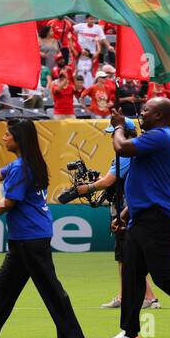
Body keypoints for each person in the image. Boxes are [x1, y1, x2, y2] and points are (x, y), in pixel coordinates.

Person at [0, 123, 90, 338]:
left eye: (8, 134)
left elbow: (11, 201)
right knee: (3, 285)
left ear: (19, 139)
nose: (5, 137)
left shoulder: (21, 167)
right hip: (27, 236)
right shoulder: (26, 163)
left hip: (30, 236)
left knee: (50, 289)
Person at [99, 99, 170, 338]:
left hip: (158, 217)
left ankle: (129, 334)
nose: (141, 113)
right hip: (145, 215)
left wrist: (119, 126)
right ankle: (130, 335)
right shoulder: (158, 137)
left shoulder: (160, 137)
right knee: (132, 274)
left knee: (165, 277)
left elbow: (121, 147)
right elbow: (147, 185)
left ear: (159, 115)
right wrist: (124, 215)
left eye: (146, 110)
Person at [65, 121, 160, 310]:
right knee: (128, 255)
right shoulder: (132, 153)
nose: (111, 138)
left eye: (114, 133)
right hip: (130, 206)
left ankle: (133, 297)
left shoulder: (125, 155)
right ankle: (144, 296)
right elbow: (111, 180)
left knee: (124, 254)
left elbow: (109, 181)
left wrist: (86, 188)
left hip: (124, 209)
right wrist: (97, 180)